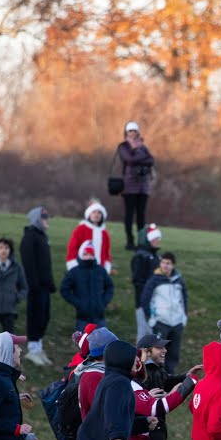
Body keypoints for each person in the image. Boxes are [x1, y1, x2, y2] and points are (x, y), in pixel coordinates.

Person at [139, 251, 188, 374]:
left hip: (177, 323)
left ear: (173, 265)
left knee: (174, 352)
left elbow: (184, 300)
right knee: (158, 352)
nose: (165, 265)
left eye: (168, 263)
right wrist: (151, 319)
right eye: (163, 262)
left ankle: (169, 376)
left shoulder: (179, 281)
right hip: (161, 322)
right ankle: (157, 376)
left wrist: (183, 317)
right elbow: (145, 300)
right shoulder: (154, 280)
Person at [20, 207, 56, 365]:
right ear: (36, 219)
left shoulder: (43, 236)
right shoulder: (30, 236)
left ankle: (39, 347)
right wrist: (33, 283)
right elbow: (29, 263)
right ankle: (32, 349)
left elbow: (46, 263)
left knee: (44, 316)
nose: (47, 219)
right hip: (35, 287)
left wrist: (50, 282)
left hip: (44, 286)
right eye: (44, 217)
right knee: (35, 316)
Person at [117, 121, 155, 251]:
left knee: (141, 215)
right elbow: (129, 160)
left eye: (134, 131)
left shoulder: (143, 146)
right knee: (129, 214)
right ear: (126, 132)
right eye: (130, 131)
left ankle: (142, 241)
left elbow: (152, 160)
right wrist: (142, 156)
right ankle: (129, 241)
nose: (132, 133)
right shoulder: (123, 146)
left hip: (143, 185)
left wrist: (139, 157)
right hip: (129, 185)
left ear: (138, 132)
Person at [61, 241, 115, 331]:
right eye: (86, 254)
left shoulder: (101, 270)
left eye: (91, 254)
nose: (89, 256)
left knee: (102, 342)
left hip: (99, 316)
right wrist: (78, 303)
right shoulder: (74, 272)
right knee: (84, 343)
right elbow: (64, 289)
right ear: (81, 255)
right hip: (82, 317)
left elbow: (110, 286)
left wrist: (104, 301)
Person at [131, 225, 162, 339]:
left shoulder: (156, 256)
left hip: (156, 302)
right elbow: (138, 281)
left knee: (154, 334)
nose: (158, 241)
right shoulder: (140, 256)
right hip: (144, 301)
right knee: (144, 333)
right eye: (155, 238)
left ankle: (154, 357)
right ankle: (142, 357)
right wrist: (146, 298)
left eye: (158, 238)